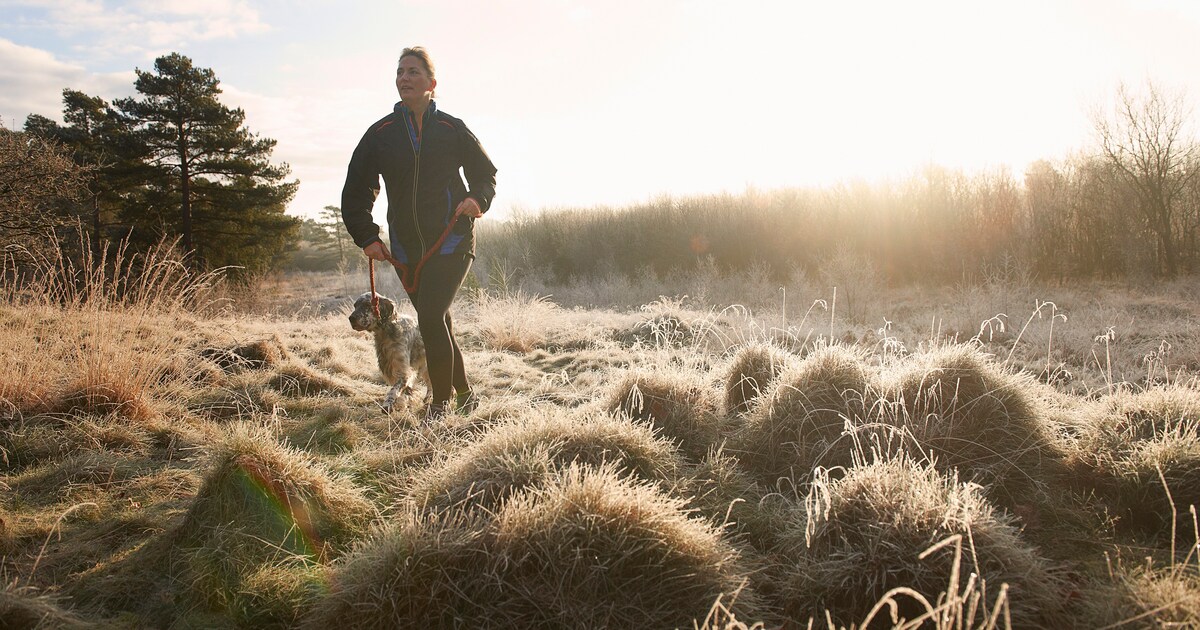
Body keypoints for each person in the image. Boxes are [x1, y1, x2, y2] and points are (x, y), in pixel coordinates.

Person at [341, 46, 497, 422]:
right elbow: (356, 189)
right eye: (400, 72)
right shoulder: (380, 134)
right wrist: (368, 236)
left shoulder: (451, 128)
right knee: (438, 321)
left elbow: (485, 173)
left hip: (453, 239)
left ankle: (440, 405)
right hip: (407, 250)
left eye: (413, 72)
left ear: (432, 83)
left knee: (429, 318)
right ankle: (466, 394)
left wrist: (478, 198)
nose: (404, 78)